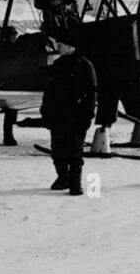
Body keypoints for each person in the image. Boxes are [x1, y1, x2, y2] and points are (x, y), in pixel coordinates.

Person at [40, 34, 97, 195]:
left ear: (71, 46)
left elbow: (91, 93)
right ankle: (62, 177)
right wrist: (45, 111)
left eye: (61, 44)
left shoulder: (85, 66)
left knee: (75, 151)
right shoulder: (57, 65)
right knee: (57, 150)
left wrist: (88, 115)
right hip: (58, 115)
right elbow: (49, 92)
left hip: (77, 116)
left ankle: (75, 183)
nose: (58, 46)